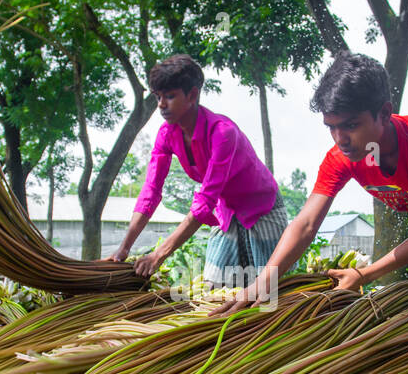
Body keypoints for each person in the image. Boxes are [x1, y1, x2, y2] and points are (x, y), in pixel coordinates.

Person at [213, 52, 408, 314]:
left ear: (384, 113)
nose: (341, 139)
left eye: (351, 126)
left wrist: (365, 274)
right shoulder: (341, 157)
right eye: (331, 127)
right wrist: (263, 282)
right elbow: (305, 224)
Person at [103, 54, 288, 288]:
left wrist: (159, 254)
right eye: (158, 96)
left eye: (170, 96)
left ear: (192, 95)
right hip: (228, 211)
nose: (161, 104)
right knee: (214, 287)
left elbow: (204, 203)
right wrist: (123, 249)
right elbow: (151, 191)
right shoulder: (166, 134)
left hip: (262, 209)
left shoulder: (223, 133)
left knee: (266, 291)